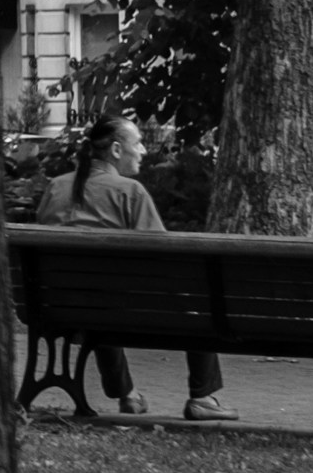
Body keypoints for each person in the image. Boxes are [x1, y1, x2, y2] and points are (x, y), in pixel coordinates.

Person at [57, 115, 234, 421]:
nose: (142, 150)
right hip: (126, 309)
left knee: (99, 297)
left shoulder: (56, 188)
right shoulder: (129, 191)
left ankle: (127, 394)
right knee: (200, 302)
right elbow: (162, 258)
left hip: (61, 306)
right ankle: (202, 397)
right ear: (115, 150)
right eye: (137, 143)